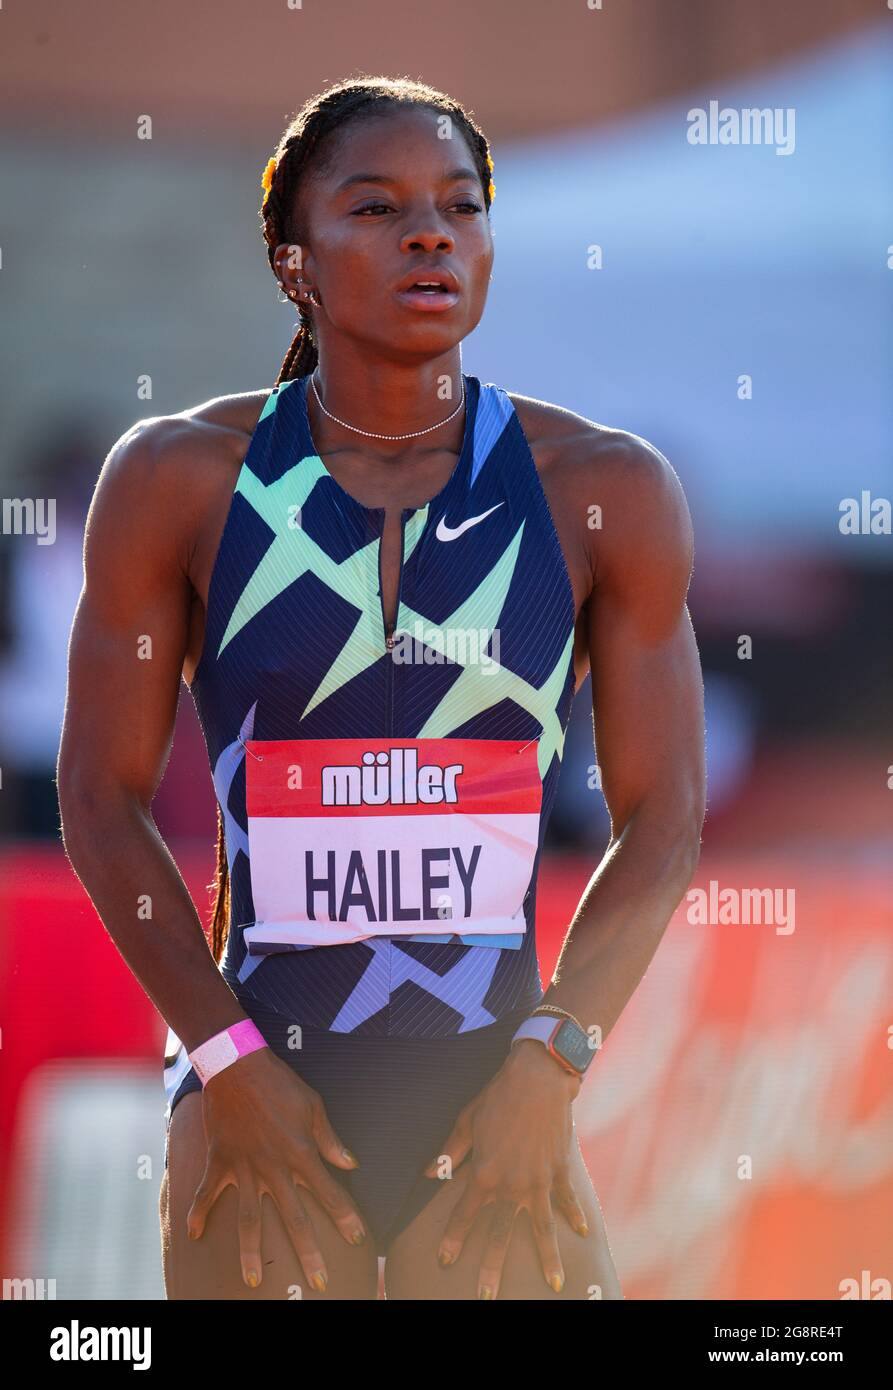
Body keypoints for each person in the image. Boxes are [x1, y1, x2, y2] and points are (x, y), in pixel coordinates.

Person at [57, 76, 705, 1301]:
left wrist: (549, 1064)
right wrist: (224, 1058)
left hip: (494, 1095)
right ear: (292, 261)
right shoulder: (180, 480)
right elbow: (98, 800)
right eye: (378, 207)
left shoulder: (599, 490)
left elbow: (663, 819)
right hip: (260, 1091)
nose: (429, 234)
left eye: (459, 207)